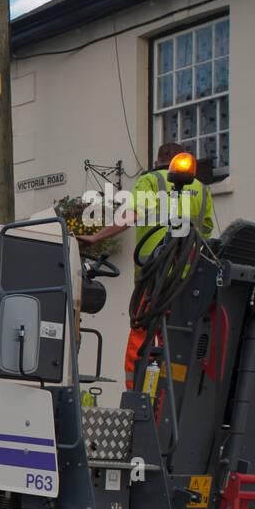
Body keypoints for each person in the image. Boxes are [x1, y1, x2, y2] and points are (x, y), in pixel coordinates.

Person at [78, 143, 215, 389]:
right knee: (177, 336)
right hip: (187, 277)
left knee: (143, 329)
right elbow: (205, 230)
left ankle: (136, 390)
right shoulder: (202, 189)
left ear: (157, 161)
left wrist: (97, 237)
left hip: (155, 272)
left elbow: (132, 215)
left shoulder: (151, 181)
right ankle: (171, 389)